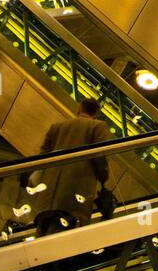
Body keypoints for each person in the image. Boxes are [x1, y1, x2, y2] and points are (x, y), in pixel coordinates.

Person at [30, 98, 111, 237]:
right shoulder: (98, 126)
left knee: (42, 236)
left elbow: (42, 156)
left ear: (79, 108)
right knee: (60, 241)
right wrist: (104, 177)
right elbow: (99, 154)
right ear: (96, 113)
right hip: (74, 193)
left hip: (47, 195)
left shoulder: (57, 127)